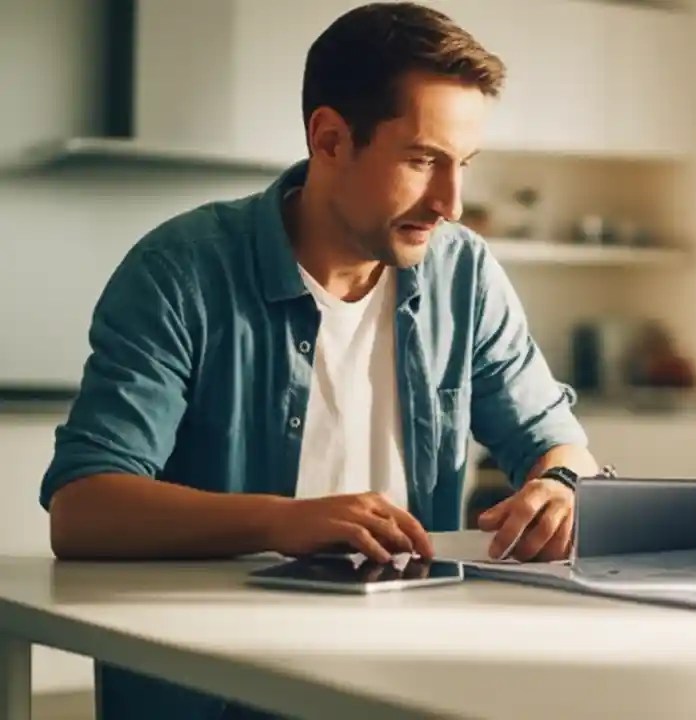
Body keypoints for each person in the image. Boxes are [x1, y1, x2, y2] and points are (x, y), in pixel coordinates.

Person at [39, 3, 599, 717]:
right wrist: (282, 521)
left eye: (463, 165)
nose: (452, 203)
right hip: (210, 687)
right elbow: (84, 510)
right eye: (423, 160)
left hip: (408, 680)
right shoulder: (179, 270)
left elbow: (563, 446)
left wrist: (561, 487)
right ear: (330, 139)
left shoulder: (466, 275)